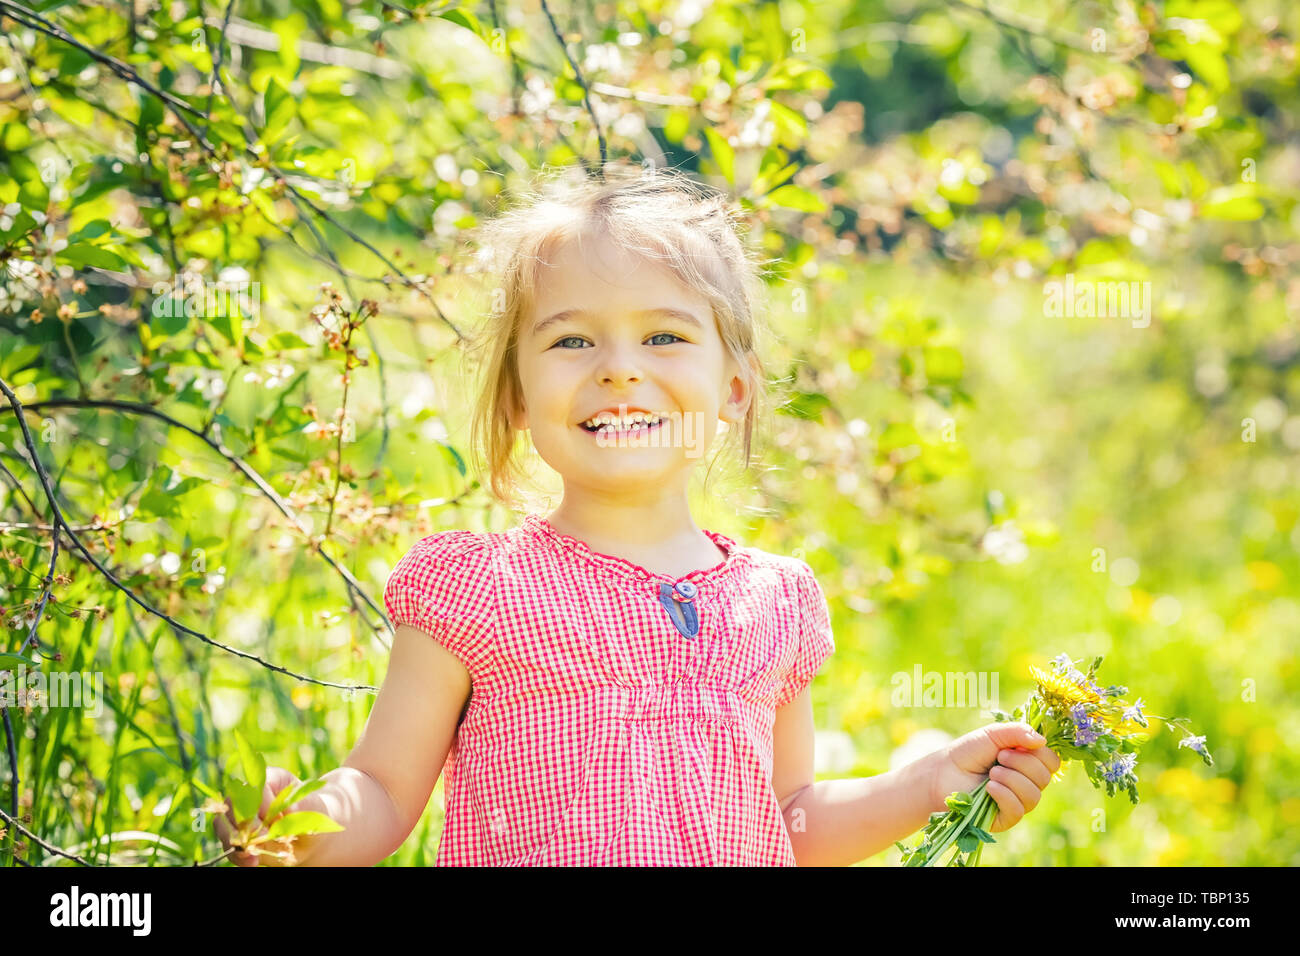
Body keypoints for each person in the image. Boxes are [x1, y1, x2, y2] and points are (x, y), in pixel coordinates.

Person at [215, 162, 1059, 866]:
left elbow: (791, 819)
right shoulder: (473, 588)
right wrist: (298, 834)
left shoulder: (778, 602)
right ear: (516, 395)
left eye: (664, 338)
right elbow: (387, 789)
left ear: (732, 390)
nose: (620, 370)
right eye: (572, 340)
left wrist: (924, 784)